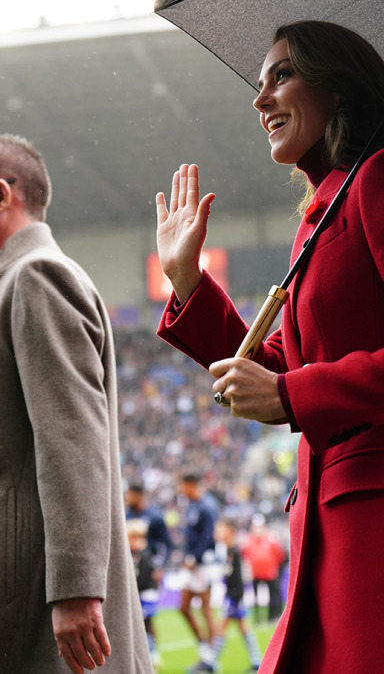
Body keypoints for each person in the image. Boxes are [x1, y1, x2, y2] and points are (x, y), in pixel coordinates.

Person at [155, 21, 384, 672]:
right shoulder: (324, 210)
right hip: (329, 525)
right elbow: (277, 364)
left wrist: (290, 394)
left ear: (337, 89)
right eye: (258, 84)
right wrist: (187, 282)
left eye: (281, 75)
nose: (260, 100)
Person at [0, 134, 152, 673]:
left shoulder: (35, 276)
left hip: (40, 595)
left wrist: (77, 589)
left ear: (3, 196)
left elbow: (71, 438)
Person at [209, 518, 262, 672]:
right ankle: (256, 661)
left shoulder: (235, 552)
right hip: (233, 595)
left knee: (222, 627)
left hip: (235, 597)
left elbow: (238, 578)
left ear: (230, 531)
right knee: (242, 627)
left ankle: (212, 661)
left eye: (220, 529)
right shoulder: (228, 551)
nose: (217, 532)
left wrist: (236, 597)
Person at [178, 473, 219, 672]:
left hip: (204, 565)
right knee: (183, 608)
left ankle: (211, 659)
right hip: (192, 564)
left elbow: (207, 537)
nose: (180, 490)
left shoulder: (207, 505)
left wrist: (193, 557)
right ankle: (205, 649)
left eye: (183, 486)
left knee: (206, 610)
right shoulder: (192, 505)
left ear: (191, 485)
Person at [126, 519, 164, 670]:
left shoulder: (145, 555)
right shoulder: (135, 554)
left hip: (146, 595)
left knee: (145, 624)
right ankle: (149, 653)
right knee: (143, 624)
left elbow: (145, 579)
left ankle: (151, 654)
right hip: (141, 594)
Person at [241, 515, 285, 623]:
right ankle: (257, 618)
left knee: (273, 595)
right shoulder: (249, 540)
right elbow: (245, 555)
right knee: (255, 597)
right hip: (256, 574)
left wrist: (274, 567)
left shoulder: (271, 539)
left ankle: (274, 616)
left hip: (270, 573)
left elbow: (279, 555)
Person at [125, 479, 174, 565]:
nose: (127, 497)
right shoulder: (127, 515)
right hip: (130, 564)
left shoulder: (155, 515)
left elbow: (166, 542)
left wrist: (161, 565)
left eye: (130, 494)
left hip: (150, 564)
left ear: (138, 495)